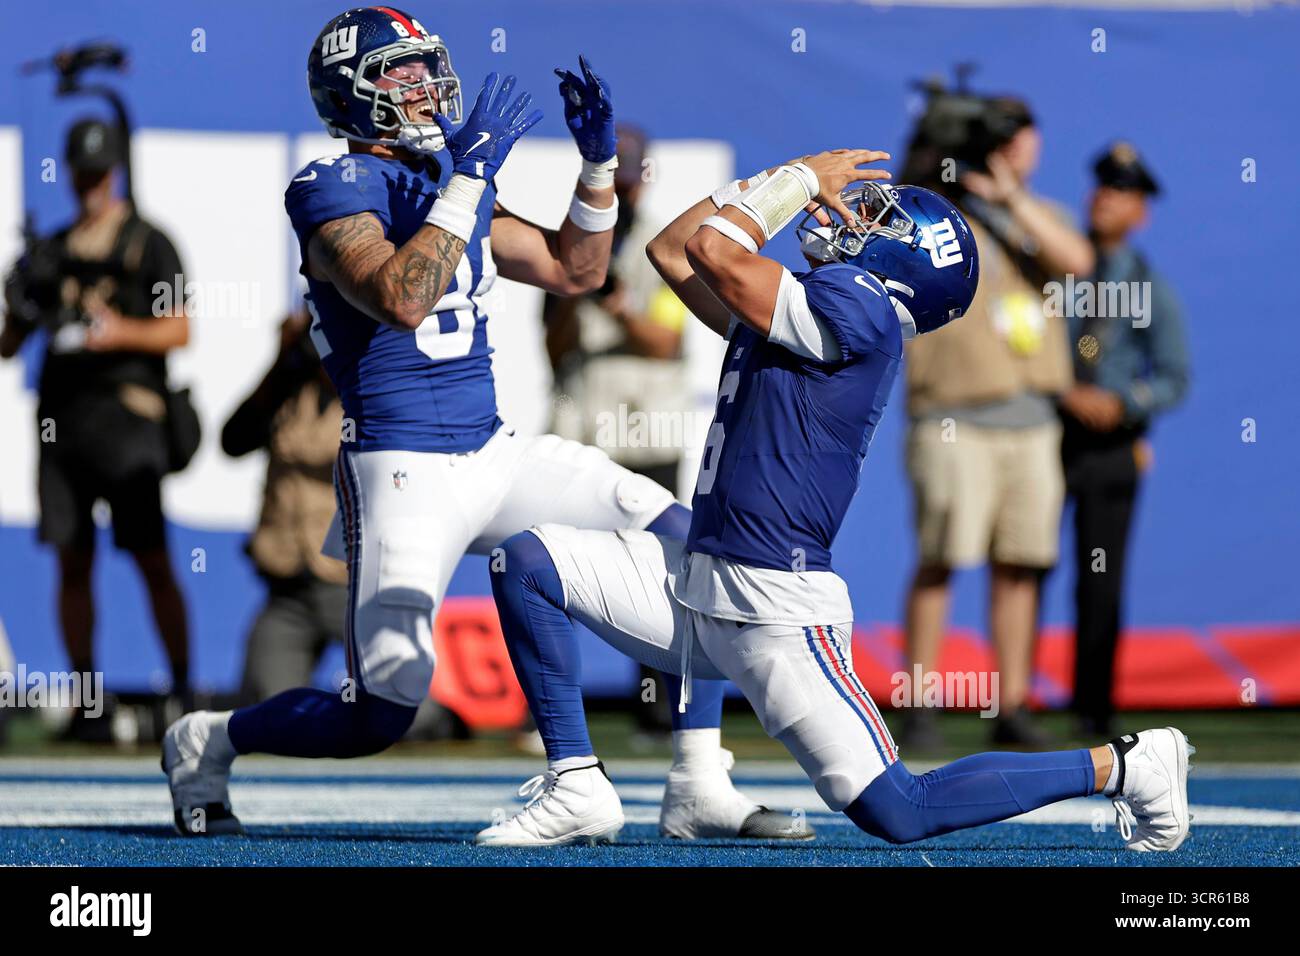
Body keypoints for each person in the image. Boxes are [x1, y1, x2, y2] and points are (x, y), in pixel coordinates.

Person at [163, 7, 803, 842]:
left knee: (689, 541)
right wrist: (465, 182)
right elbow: (400, 297)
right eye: (402, 71)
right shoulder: (331, 189)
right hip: (401, 469)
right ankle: (208, 737)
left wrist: (598, 165)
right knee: (382, 710)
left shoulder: (446, 181)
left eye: (430, 66)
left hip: (493, 451)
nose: (428, 85)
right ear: (350, 96)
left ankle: (695, 782)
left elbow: (577, 269)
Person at [475, 149, 1191, 854]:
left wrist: (795, 181)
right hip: (700, 591)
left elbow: (713, 250)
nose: (850, 218)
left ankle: (1126, 765)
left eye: (878, 220)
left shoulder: (861, 307)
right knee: (529, 561)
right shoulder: (818, 311)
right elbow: (674, 252)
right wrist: (782, 177)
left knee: (899, 811)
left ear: (904, 263)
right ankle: (578, 782)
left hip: (774, 609)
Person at [898, 99, 1091, 749]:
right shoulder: (929, 212)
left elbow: (1078, 264)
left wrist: (1011, 200)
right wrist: (936, 157)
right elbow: (891, 221)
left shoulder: (1042, 218)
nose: (1009, 147)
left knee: (1021, 565)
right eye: (995, 138)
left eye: (1018, 135)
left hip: (1032, 419)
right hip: (954, 414)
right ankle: (920, 702)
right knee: (942, 559)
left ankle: (1010, 705)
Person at [0, 118, 192, 733]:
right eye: (79, 174)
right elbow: (9, 343)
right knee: (71, 561)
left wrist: (119, 333)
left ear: (113, 173)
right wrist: (18, 304)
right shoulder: (51, 251)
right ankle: (88, 700)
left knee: (152, 559)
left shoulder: (148, 242)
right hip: (62, 427)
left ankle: (182, 693)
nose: (87, 185)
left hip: (128, 423)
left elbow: (180, 328)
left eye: (96, 173)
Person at [545, 123, 693, 739]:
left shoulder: (665, 247)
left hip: (646, 421)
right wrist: (573, 296)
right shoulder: (569, 244)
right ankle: (555, 701)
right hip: (585, 417)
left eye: (629, 183)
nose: (623, 196)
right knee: (557, 561)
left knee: (657, 568)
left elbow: (668, 340)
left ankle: (656, 704)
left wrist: (616, 307)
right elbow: (552, 347)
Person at [1058, 143, 1189, 736]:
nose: (1104, 199)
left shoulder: (1148, 285)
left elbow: (1173, 375)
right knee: (1023, 566)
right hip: (1048, 432)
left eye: (1121, 193)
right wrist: (1063, 390)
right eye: (1101, 187)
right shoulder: (1057, 267)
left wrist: (1124, 404)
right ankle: (1013, 703)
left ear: (1141, 211)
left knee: (1101, 575)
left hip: (1110, 445)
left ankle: (1094, 707)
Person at [220, 309, 348, 705]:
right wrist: (282, 361)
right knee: (265, 703)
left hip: (354, 587)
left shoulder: (374, 389)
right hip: (289, 587)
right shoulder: (287, 390)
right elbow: (233, 441)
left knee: (409, 707)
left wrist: (346, 368)